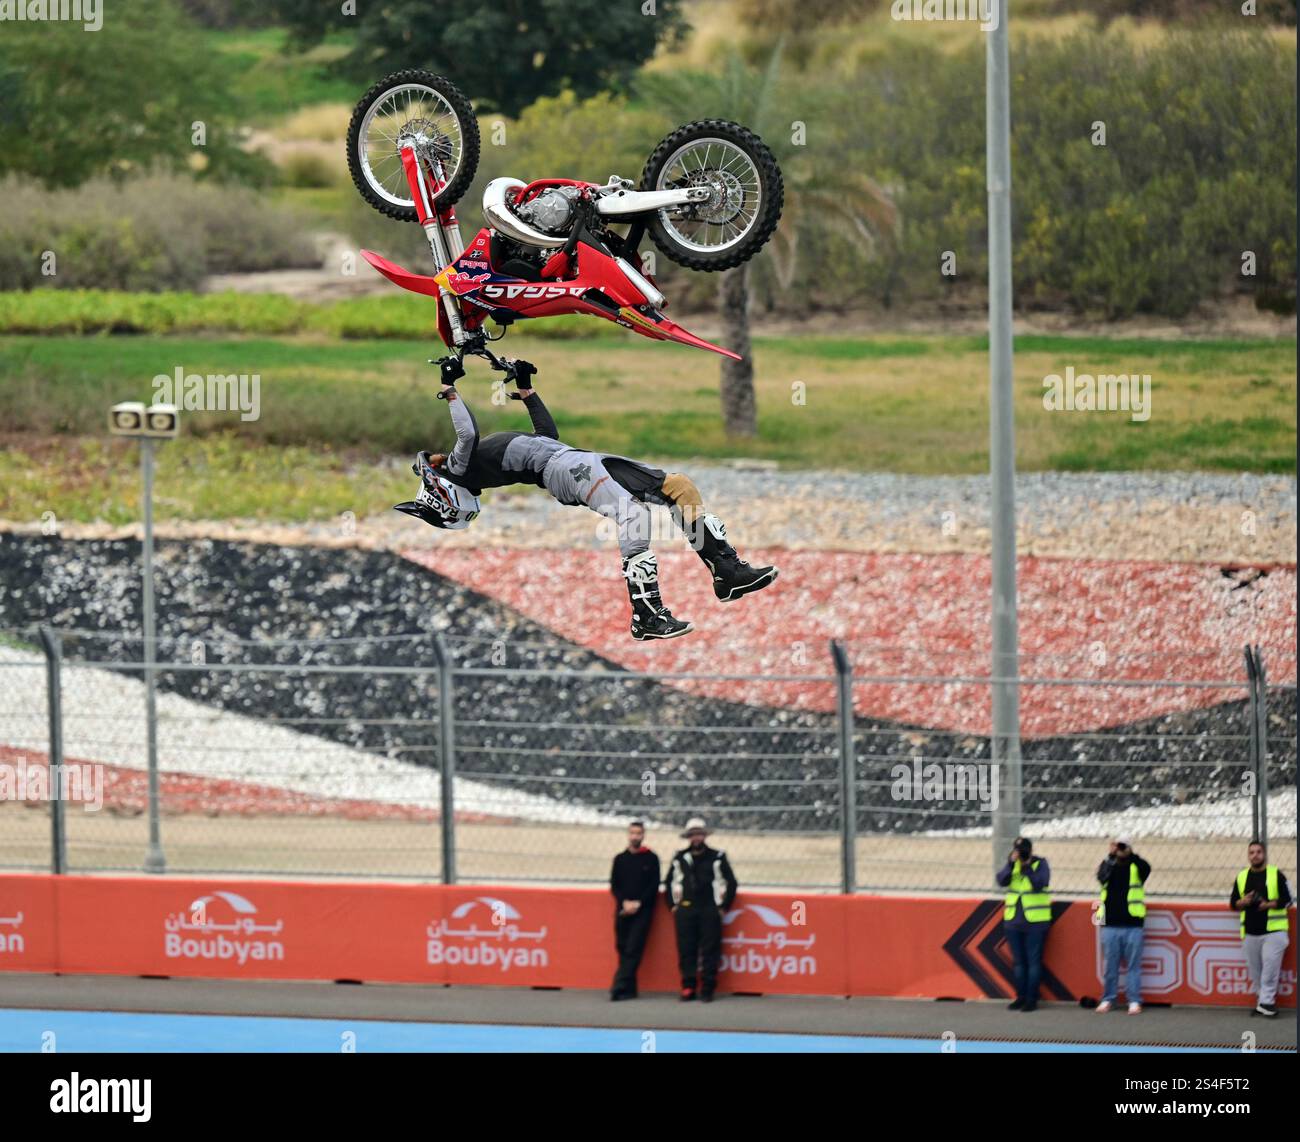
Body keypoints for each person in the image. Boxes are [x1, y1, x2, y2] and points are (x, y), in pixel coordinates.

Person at [395, 373, 777, 640]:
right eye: (431, 461)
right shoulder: (462, 468)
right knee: (634, 516)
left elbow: (547, 436)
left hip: (572, 458)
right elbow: (466, 431)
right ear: (438, 484)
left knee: (679, 488)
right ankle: (646, 615)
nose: (436, 455)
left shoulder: (471, 463)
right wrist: (449, 389)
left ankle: (726, 572)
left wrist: (528, 392)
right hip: (565, 470)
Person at [664, 817, 737, 1003]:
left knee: (710, 949)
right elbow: (669, 882)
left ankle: (707, 987)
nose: (696, 838)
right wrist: (673, 905)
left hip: (710, 909)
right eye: (693, 834)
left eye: (699, 834)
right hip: (686, 909)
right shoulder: (680, 857)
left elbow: (731, 882)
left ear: (704, 835)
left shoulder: (718, 856)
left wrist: (723, 906)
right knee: (686, 949)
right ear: (688, 837)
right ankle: (688, 986)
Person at [1230, 840, 1292, 1018]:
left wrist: (1267, 904)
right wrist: (1243, 901)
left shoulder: (1276, 874)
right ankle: (1262, 1002)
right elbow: (1233, 903)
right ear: (1248, 856)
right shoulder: (1242, 876)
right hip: (1250, 932)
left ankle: (1267, 1003)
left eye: (1258, 852)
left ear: (1264, 855)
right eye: (1251, 852)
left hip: (1274, 931)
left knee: (1270, 969)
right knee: (1255, 971)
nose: (1255, 855)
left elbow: (1288, 899)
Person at [1094, 835, 1151, 1015]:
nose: (1120, 849)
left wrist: (1130, 853)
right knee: (1110, 966)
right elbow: (1100, 876)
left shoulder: (1137, 866)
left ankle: (1134, 1000)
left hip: (1133, 924)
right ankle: (1108, 998)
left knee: (1133, 966)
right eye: (1118, 846)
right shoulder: (1108, 865)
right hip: (1110, 923)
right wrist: (1110, 856)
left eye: (1123, 846)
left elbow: (1146, 869)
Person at [995, 836, 1052, 1013]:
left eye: (1023, 850)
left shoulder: (1040, 864)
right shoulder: (1013, 864)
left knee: (1033, 962)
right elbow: (1001, 880)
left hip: (1036, 921)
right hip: (1013, 921)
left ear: (1030, 850)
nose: (1020, 853)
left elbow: (1039, 883)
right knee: (1019, 963)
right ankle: (1020, 996)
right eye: (1018, 850)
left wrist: (1026, 866)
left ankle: (1031, 999)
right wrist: (1011, 864)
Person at [609, 820, 660, 1001]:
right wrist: (624, 902)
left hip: (643, 910)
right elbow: (614, 885)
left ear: (643, 835)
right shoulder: (620, 859)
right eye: (632, 833)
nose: (635, 836)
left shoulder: (651, 858)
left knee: (633, 948)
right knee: (622, 947)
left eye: (638, 833)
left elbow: (653, 885)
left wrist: (639, 903)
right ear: (628, 835)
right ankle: (630, 988)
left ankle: (618, 986)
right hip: (623, 910)